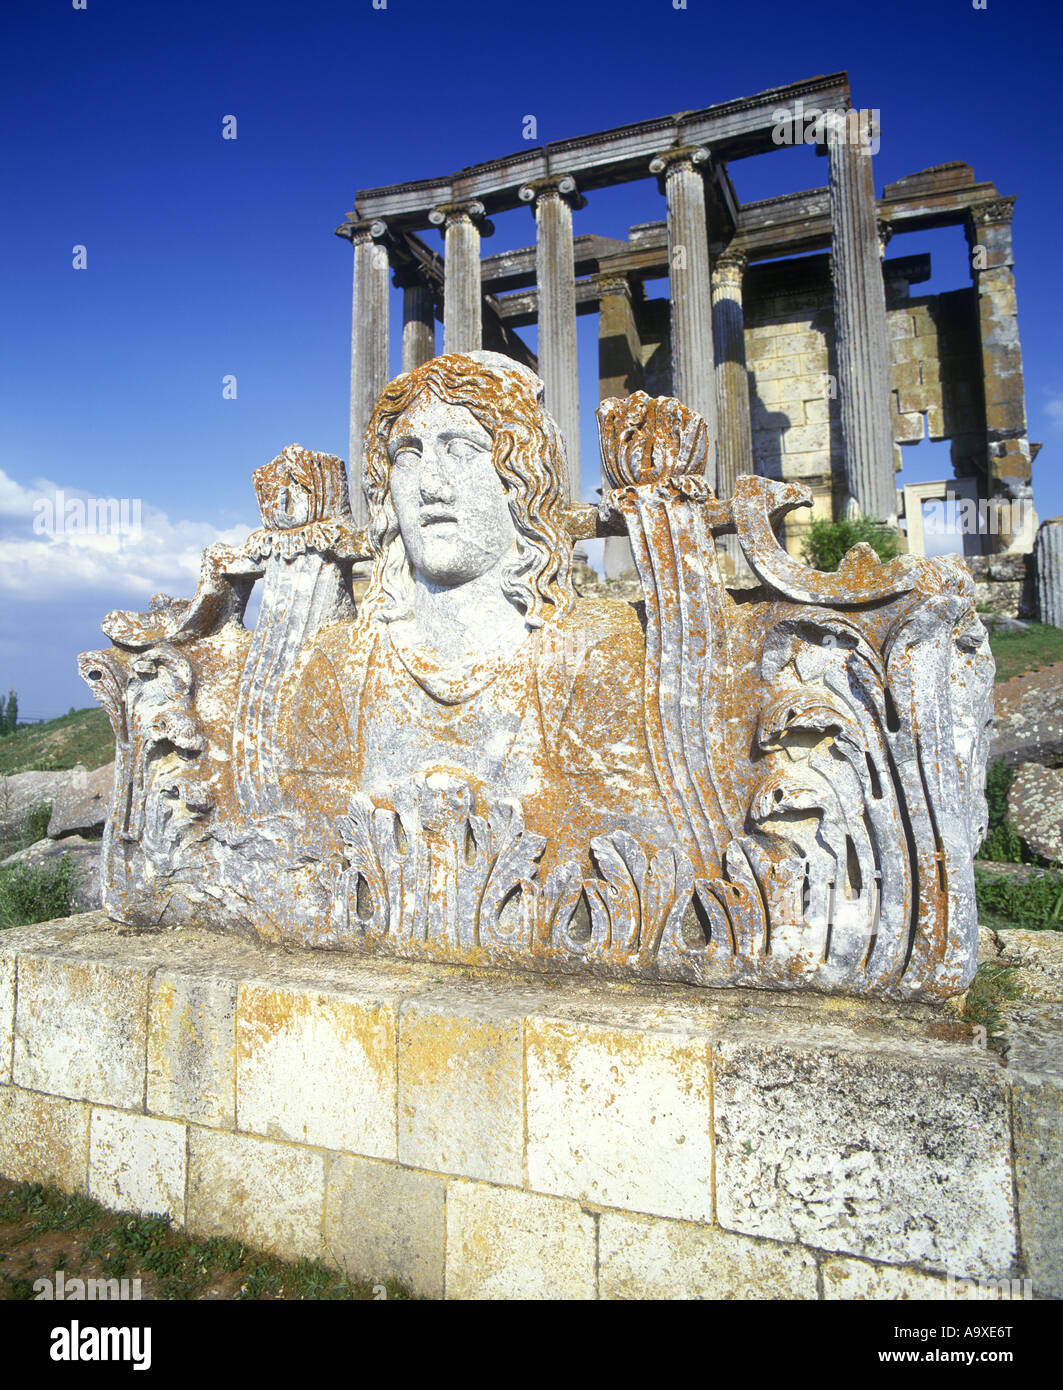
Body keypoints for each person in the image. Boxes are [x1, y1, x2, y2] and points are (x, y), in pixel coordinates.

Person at [282, 351, 666, 875]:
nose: (430, 485)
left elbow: (633, 851)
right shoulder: (342, 663)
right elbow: (296, 843)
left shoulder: (587, 654)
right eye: (408, 454)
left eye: (462, 448)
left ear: (522, 477)